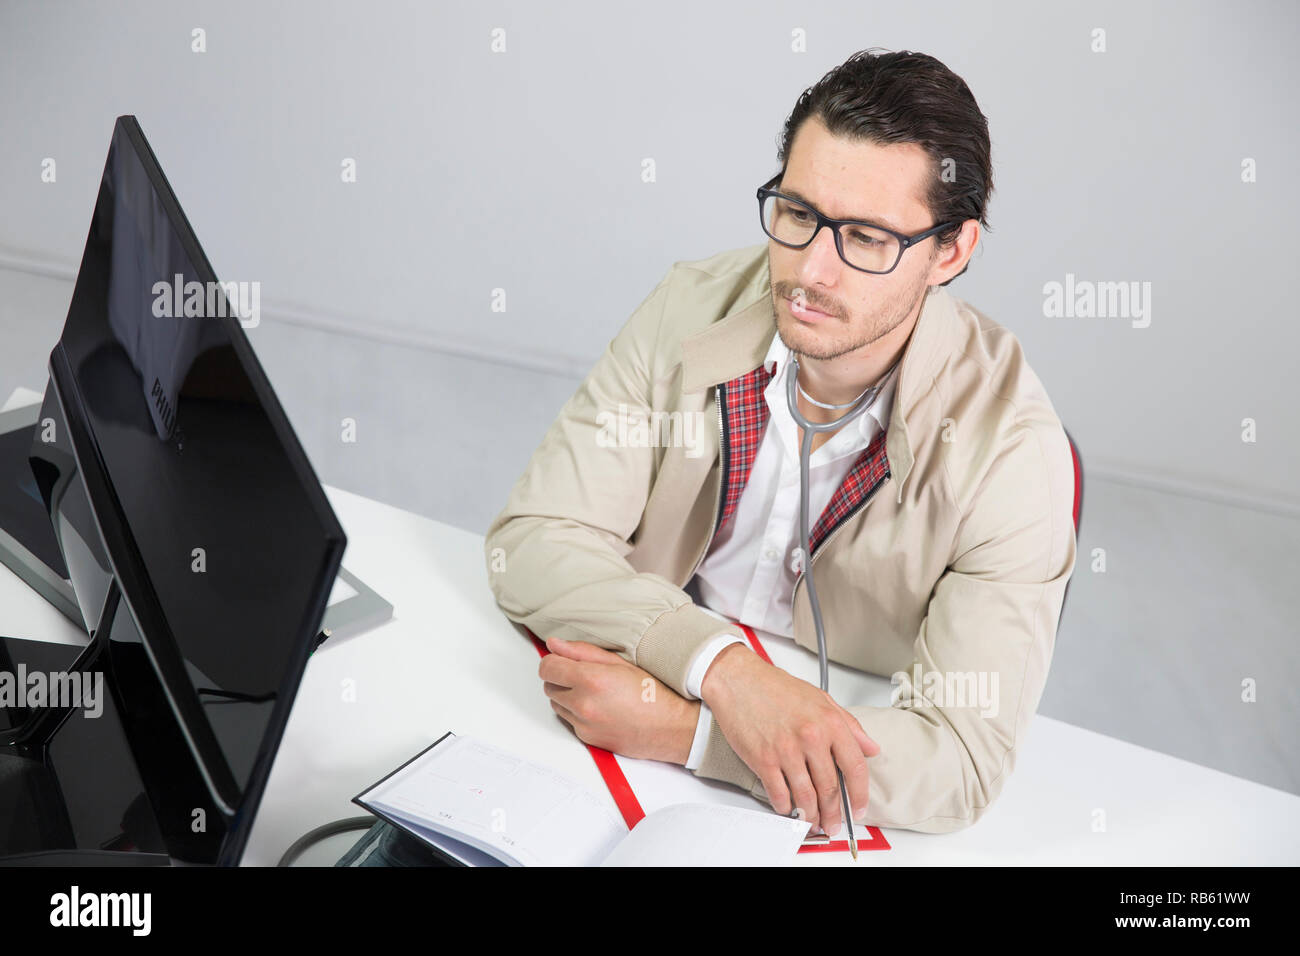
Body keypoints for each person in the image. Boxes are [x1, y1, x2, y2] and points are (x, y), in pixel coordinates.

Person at [484, 48, 1076, 838]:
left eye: (866, 238)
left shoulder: (1011, 452)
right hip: (613, 717)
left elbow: (959, 761)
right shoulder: (689, 306)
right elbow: (531, 540)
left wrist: (692, 733)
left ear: (951, 251)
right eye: (798, 215)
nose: (811, 271)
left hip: (739, 775)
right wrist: (721, 668)